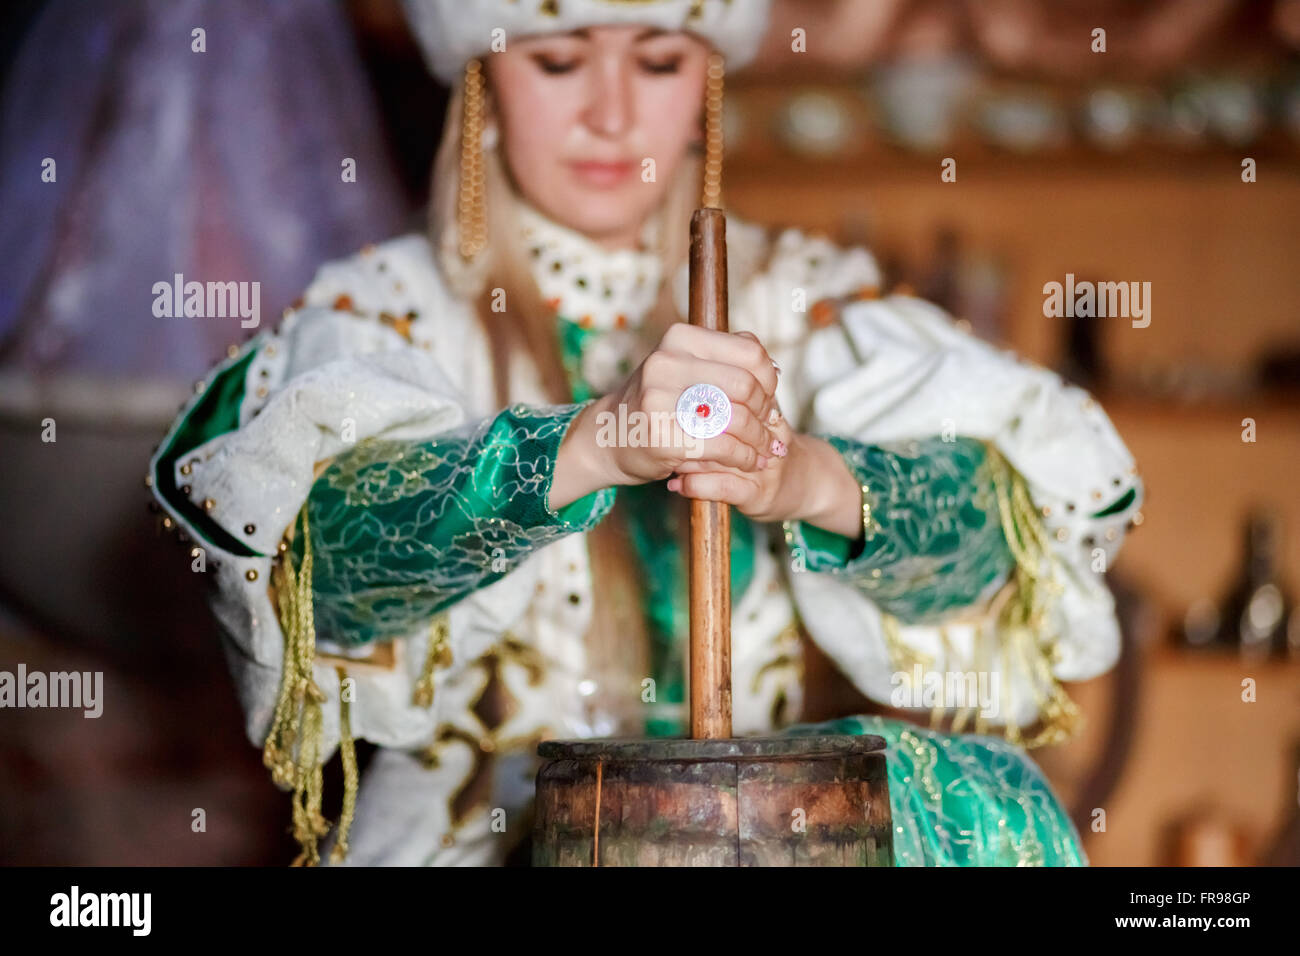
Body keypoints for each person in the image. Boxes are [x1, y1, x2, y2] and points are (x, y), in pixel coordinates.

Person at [148, 0, 1143, 867]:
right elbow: (324, 567)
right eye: (558, 60)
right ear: (483, 69)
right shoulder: (390, 311)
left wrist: (807, 480)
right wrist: (584, 447)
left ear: (707, 80)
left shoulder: (811, 302)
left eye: (659, 61)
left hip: (767, 835)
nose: (612, 113)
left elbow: (1001, 539)